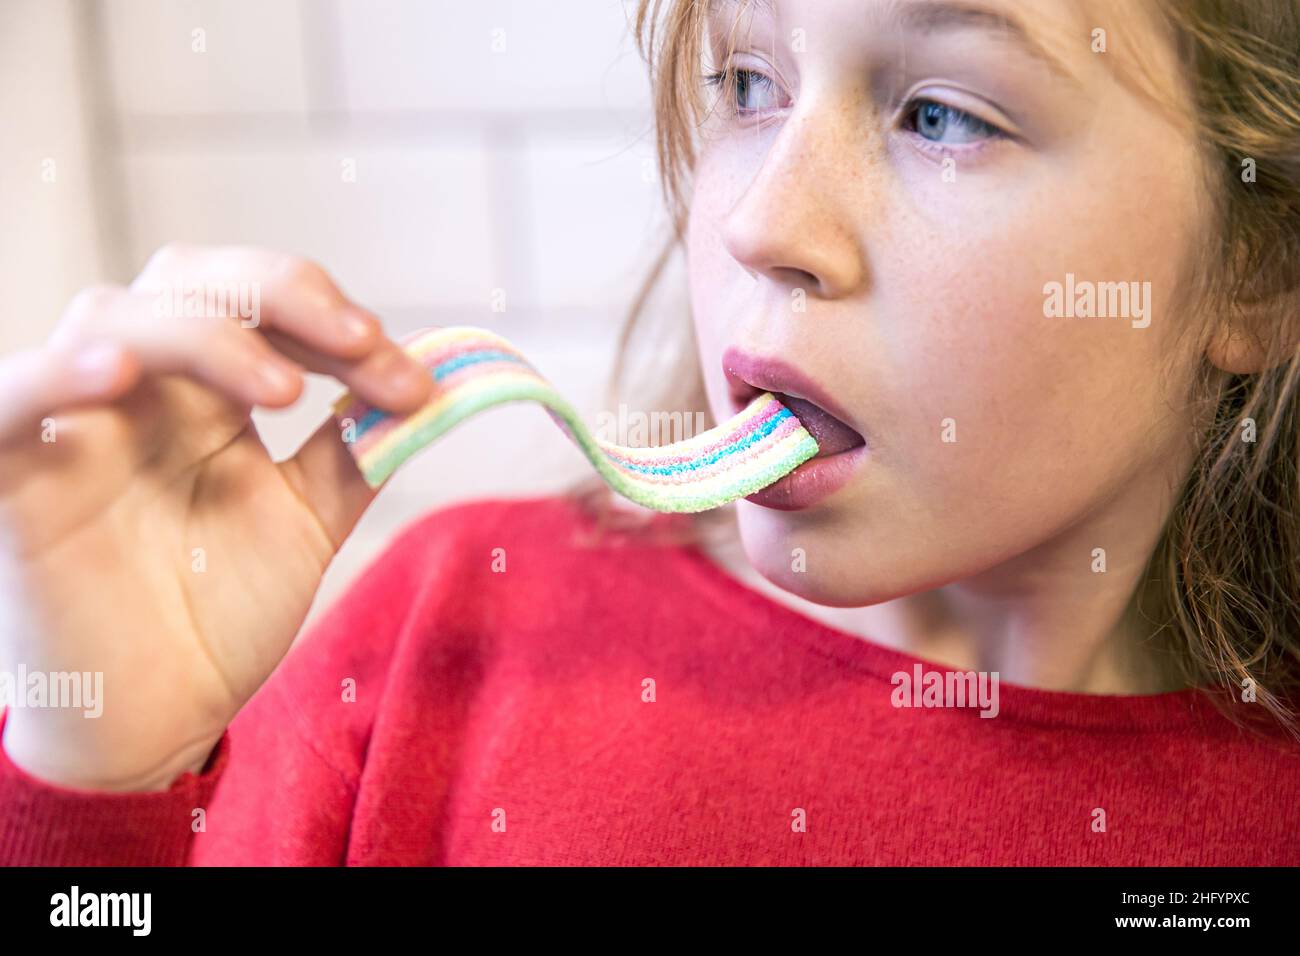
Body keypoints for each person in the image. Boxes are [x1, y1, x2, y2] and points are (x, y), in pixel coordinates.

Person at [2, 0, 1299, 865]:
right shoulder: (441, 638)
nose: (761, 223)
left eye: (942, 116)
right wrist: (96, 773)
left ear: (1256, 266)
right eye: (747, 80)